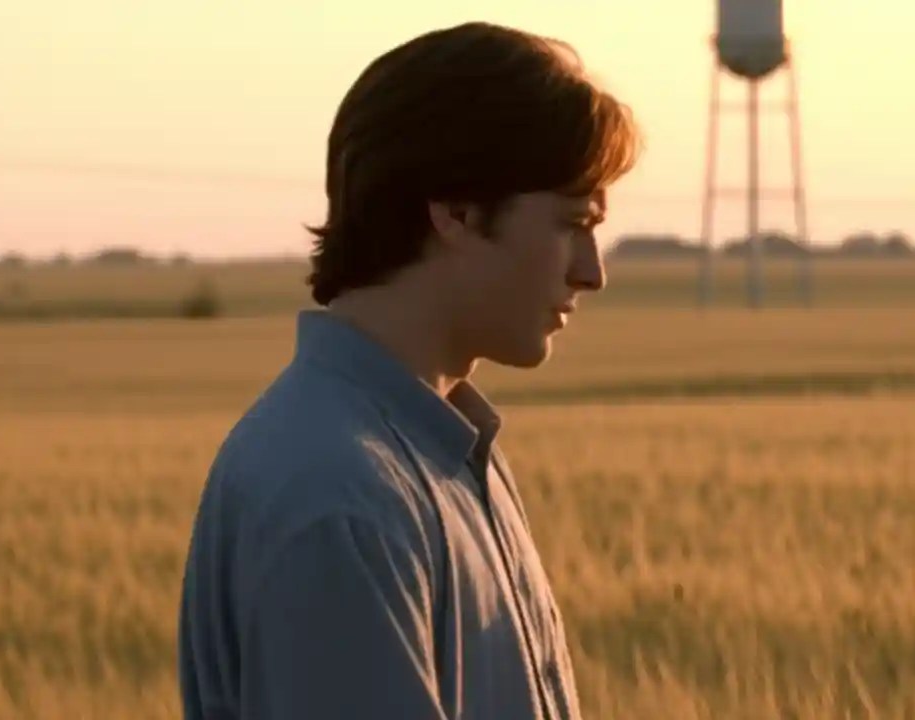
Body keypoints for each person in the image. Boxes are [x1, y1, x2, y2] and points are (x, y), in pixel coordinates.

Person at [177, 21, 641, 720]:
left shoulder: (439, 451)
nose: (592, 271)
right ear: (456, 211)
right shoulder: (338, 495)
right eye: (571, 223)